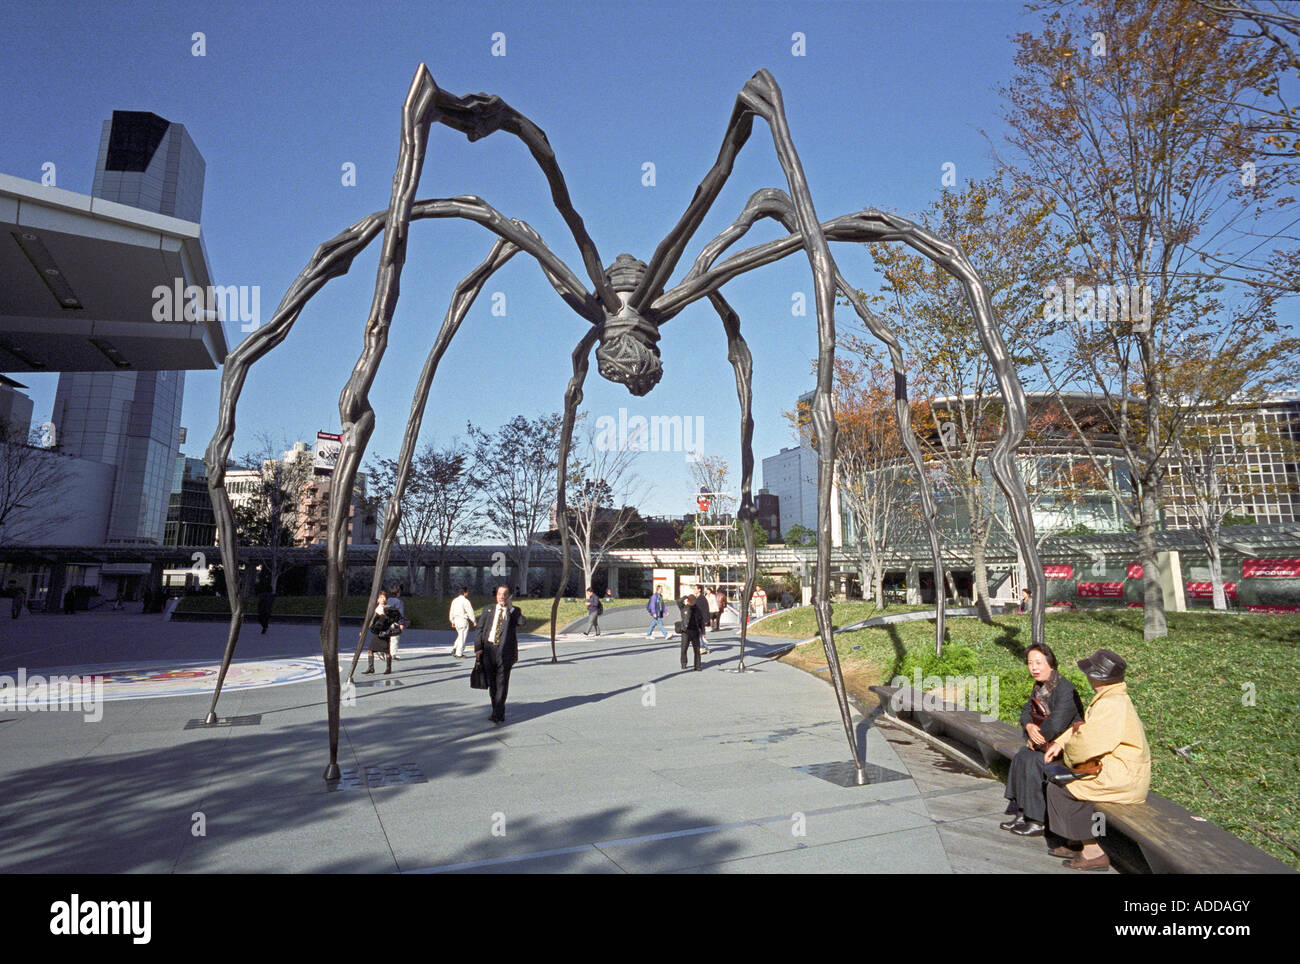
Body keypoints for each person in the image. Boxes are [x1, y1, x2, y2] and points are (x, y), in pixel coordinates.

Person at [1042, 648, 1151, 871]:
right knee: (1066, 781)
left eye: (1090, 672)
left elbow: (1087, 743)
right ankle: (1075, 842)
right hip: (1117, 771)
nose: (1087, 676)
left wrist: (1068, 760)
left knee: (1062, 788)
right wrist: (1060, 744)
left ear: (1099, 677)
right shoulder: (1111, 697)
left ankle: (1093, 851)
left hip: (1121, 777)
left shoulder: (1111, 704)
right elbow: (1083, 730)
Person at [1000, 642, 1084, 837]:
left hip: (1064, 746)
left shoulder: (1065, 689)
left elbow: (1057, 723)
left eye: (1038, 662)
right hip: (1044, 743)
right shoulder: (1040, 686)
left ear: (1051, 664)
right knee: (1021, 757)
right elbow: (1026, 711)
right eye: (1030, 663)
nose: (1034, 668)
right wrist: (1029, 726)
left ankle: (1037, 819)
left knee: (1033, 761)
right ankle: (1021, 811)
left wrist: (1035, 741)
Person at [475, 584, 521, 724]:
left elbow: (522, 622)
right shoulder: (488, 609)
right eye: (500, 594)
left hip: (505, 653)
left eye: (505, 594)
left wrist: (511, 609)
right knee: (492, 684)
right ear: (496, 595)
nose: (502, 596)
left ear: (508, 597)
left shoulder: (514, 611)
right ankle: (497, 710)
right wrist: (478, 648)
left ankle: (497, 713)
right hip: (489, 651)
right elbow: (480, 630)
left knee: (502, 683)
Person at [363, 591, 395, 675]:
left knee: (386, 651)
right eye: (381, 598)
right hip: (376, 632)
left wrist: (384, 616)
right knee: (370, 650)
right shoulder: (375, 608)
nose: (383, 599)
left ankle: (388, 668)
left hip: (384, 631)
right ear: (377, 600)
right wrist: (364, 630)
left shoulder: (388, 608)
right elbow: (371, 621)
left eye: (384, 598)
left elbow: (392, 619)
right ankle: (371, 668)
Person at [449, 587, 476, 658]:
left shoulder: (454, 600)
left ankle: (455, 647)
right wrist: (474, 621)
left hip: (456, 619)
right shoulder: (465, 601)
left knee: (460, 635)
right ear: (464, 593)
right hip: (463, 620)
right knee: (462, 637)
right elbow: (470, 611)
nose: (468, 594)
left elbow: (451, 611)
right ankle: (459, 653)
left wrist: (452, 620)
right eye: (467, 592)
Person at [681, 593, 704, 671]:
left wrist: (703, 632)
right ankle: (684, 663)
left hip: (695, 631)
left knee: (697, 650)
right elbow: (678, 601)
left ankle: (697, 666)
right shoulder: (684, 607)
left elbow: (701, 621)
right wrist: (685, 597)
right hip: (686, 631)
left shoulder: (698, 609)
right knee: (684, 649)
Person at [387, 585, 407, 659]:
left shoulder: (387, 600)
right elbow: (400, 613)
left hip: (387, 621)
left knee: (387, 638)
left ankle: (386, 652)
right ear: (398, 592)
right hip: (395, 622)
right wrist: (401, 623)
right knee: (394, 638)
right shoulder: (399, 601)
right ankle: (393, 654)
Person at [693, 584, 711, 654]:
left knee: (699, 634)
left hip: (701, 619)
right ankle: (705, 648)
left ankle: (702, 647)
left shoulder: (702, 598)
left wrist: (706, 620)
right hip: (696, 619)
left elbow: (706, 609)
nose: (694, 590)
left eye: (695, 589)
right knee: (699, 634)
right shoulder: (696, 598)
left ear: (699, 589)